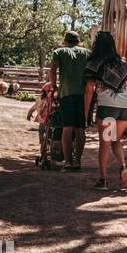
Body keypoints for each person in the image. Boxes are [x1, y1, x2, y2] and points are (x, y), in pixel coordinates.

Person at [83, 31, 127, 191]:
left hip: (108, 107)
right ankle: (123, 168)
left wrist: (85, 112)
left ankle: (103, 180)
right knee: (116, 140)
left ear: (96, 45)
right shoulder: (121, 63)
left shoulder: (94, 63)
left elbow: (89, 89)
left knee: (105, 143)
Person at [49, 31, 91, 171]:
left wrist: (54, 86)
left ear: (65, 41)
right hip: (82, 94)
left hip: (66, 94)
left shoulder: (59, 51)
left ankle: (68, 163)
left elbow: (53, 70)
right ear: (78, 42)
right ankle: (78, 162)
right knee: (80, 128)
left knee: (67, 127)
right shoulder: (87, 53)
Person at [26, 83, 56, 169]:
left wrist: (30, 113)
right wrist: (30, 113)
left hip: (45, 122)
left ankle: (44, 153)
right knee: (47, 139)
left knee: (44, 140)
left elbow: (34, 107)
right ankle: (45, 154)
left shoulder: (43, 99)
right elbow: (35, 107)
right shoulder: (50, 100)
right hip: (48, 122)